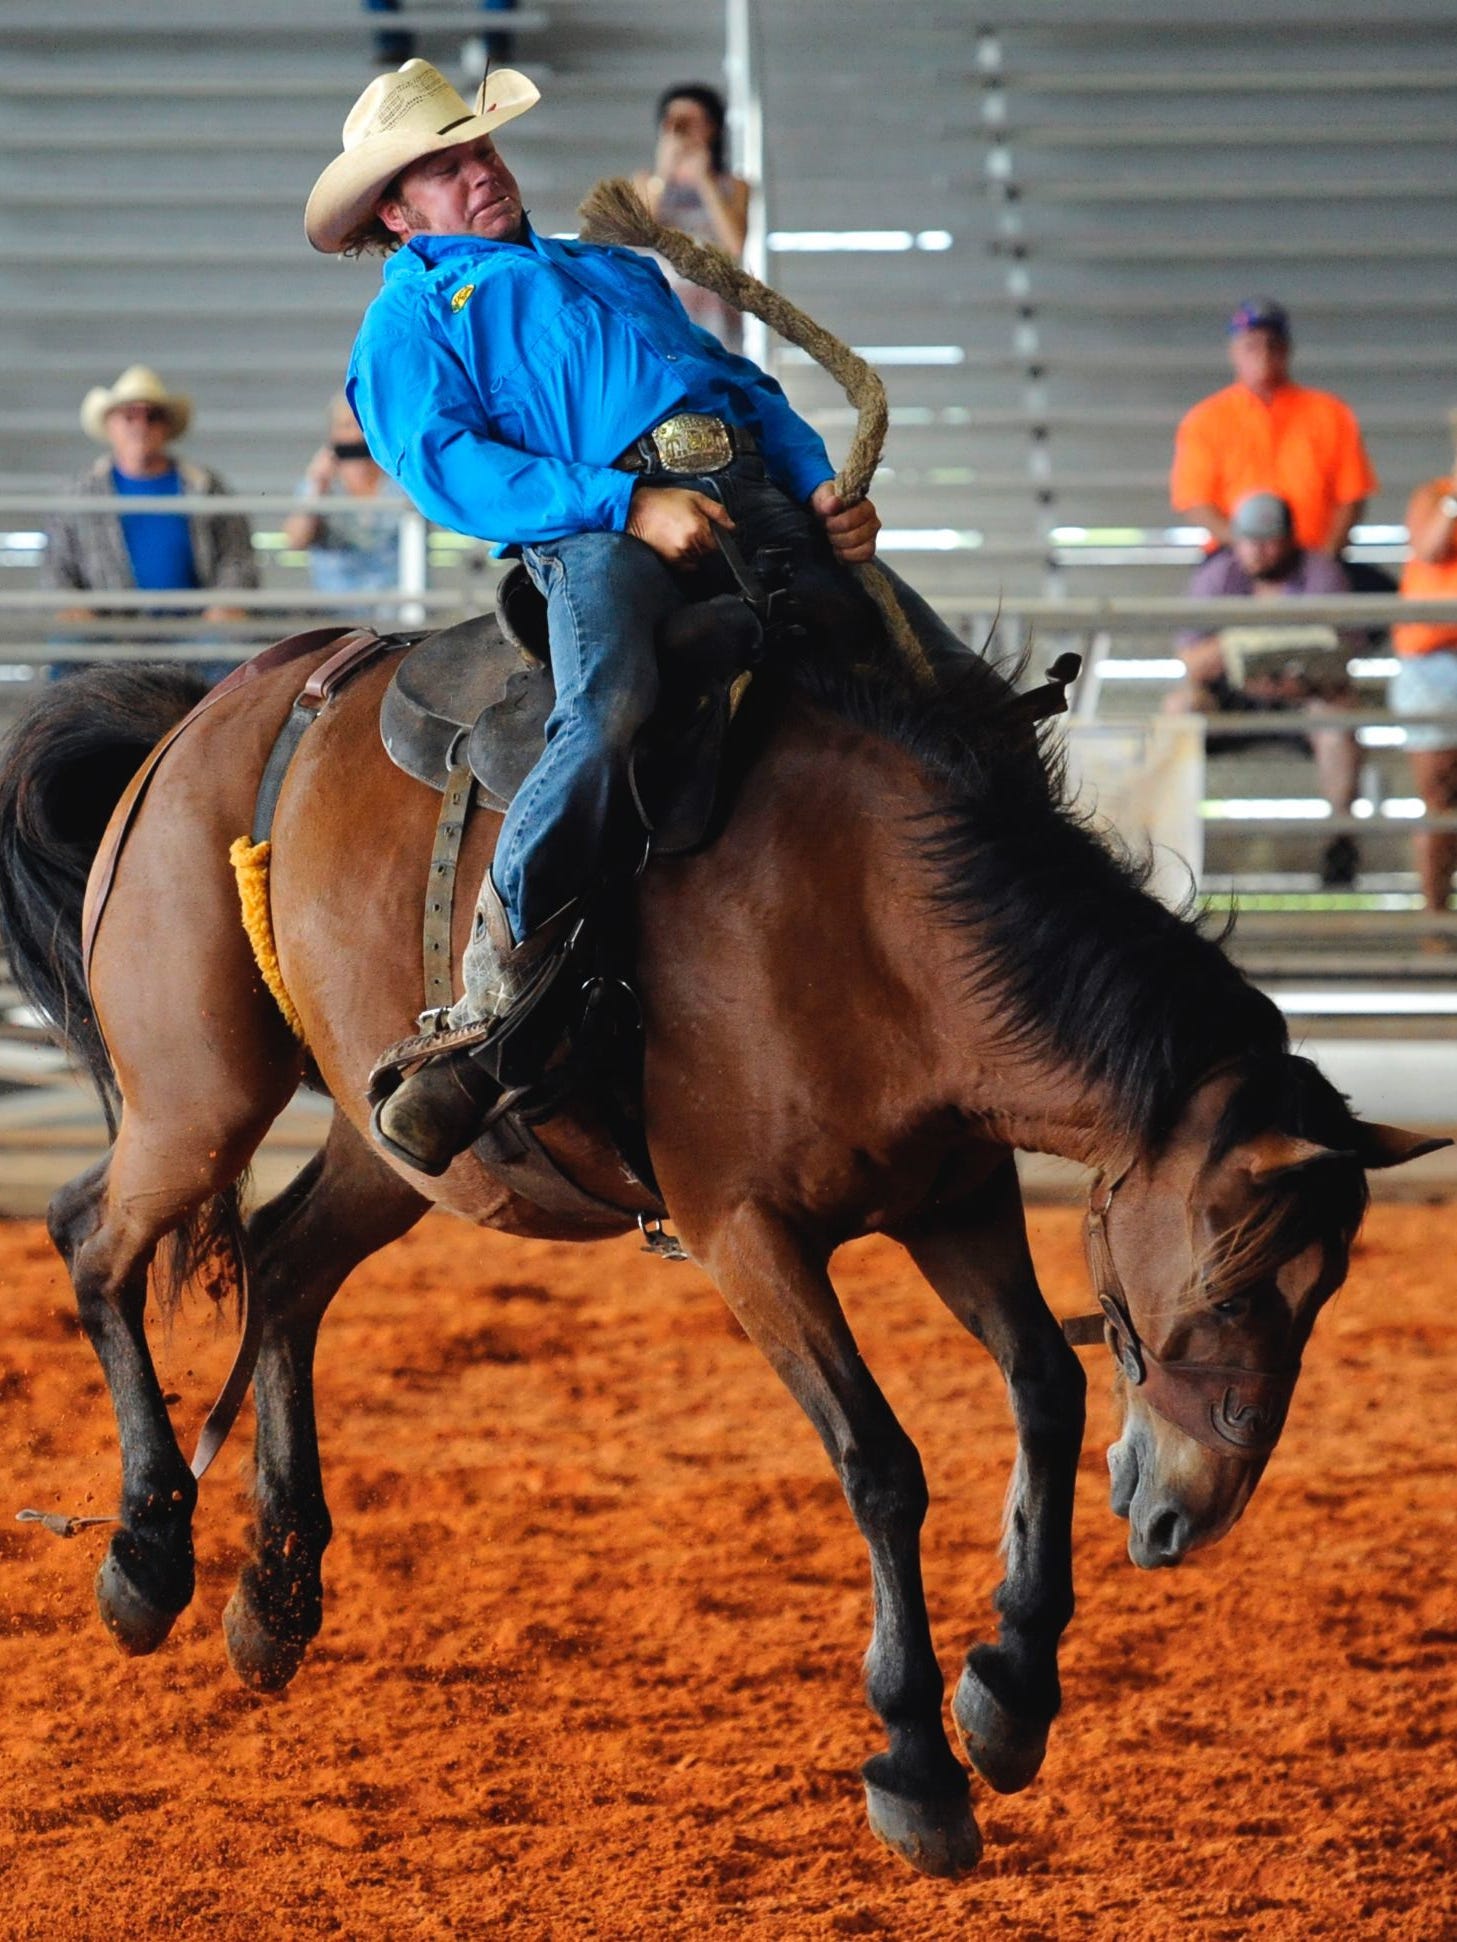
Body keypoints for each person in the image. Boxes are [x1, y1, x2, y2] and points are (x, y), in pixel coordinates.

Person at [305, 61, 888, 1172]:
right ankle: (491, 1002)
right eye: (445, 168)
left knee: (914, 685)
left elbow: (742, 389)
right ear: (398, 213)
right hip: (592, 530)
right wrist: (626, 504)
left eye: (481, 150)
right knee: (611, 703)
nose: (481, 172)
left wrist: (821, 488)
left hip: (748, 498)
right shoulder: (409, 318)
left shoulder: (611, 266)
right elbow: (449, 468)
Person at [1168, 490, 1362, 887]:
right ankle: (1171, 836)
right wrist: (1244, 642)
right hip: (1231, 696)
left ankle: (1339, 840)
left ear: (1289, 539)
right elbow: (1192, 659)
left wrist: (1285, 664)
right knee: (1179, 708)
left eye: (1268, 541)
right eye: (1248, 541)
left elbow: (1339, 654)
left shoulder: (1321, 574)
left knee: (1338, 716)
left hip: (1302, 696)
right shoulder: (1218, 575)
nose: (1257, 552)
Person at [44, 364, 258, 673]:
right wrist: (72, 608)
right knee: (68, 646)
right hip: (106, 633)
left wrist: (224, 605)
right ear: (110, 425)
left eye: (152, 416)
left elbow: (236, 558)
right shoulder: (78, 493)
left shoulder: (205, 486)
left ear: (166, 426)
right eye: (129, 415)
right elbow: (57, 570)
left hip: (194, 632)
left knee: (230, 648)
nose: (141, 425)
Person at [1171, 299, 1378, 558]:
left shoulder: (1330, 413)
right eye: (1251, 345)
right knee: (1210, 583)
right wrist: (1247, 549)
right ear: (1233, 352)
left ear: (1287, 350)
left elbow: (1352, 497)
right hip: (1234, 556)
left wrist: (1325, 557)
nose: (1264, 354)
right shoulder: (1205, 419)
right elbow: (1195, 501)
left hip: (1314, 555)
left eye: (1273, 344)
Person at [1391, 422, 1457, 914]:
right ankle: (1435, 926)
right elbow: (1431, 548)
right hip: (1433, 667)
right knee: (1439, 800)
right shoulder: (1433, 497)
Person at [633, 83, 750, 351]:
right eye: (674, 122)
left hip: (716, 309)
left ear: (713, 128)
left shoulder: (733, 186)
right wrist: (663, 172)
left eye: (692, 122)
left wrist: (704, 179)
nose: (682, 130)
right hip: (663, 303)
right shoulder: (645, 182)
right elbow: (637, 235)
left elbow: (734, 244)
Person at [282, 393, 410, 615]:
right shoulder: (318, 485)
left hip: (400, 610)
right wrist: (317, 485)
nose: (356, 435)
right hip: (336, 614)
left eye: (361, 425)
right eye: (346, 426)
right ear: (333, 434)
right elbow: (294, 541)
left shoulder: (401, 478)